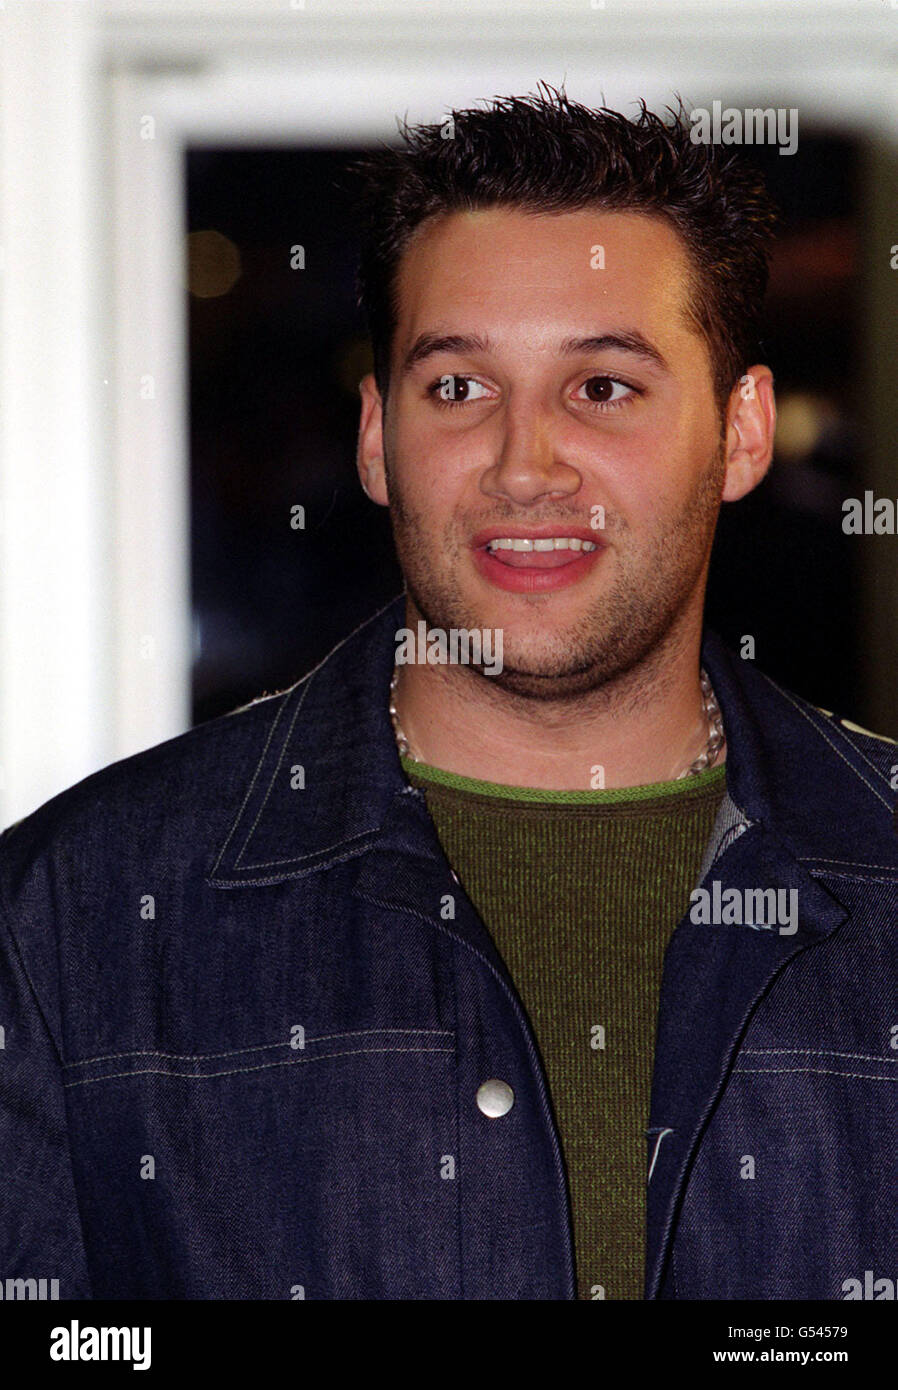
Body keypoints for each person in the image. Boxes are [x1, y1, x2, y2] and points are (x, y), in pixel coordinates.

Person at [1, 89, 896, 1302]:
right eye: (458, 388)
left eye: (604, 388)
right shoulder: (75, 915)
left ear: (739, 433)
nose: (526, 464)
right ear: (376, 438)